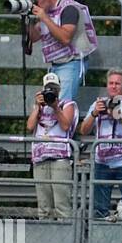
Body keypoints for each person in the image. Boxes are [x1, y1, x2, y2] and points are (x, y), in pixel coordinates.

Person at [80, 70, 122, 221]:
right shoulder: (98, 104)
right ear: (107, 85)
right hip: (102, 163)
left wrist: (121, 118)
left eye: (117, 83)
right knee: (99, 209)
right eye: (111, 83)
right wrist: (94, 113)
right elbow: (83, 130)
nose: (114, 86)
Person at [27, 0, 97, 106]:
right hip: (55, 64)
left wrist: (44, 18)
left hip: (71, 62)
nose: (35, 4)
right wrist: (26, 19)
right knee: (50, 103)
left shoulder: (68, 9)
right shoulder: (47, 12)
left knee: (62, 104)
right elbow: (34, 37)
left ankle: (64, 126)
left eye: (36, 0)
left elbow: (65, 38)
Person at [27, 72, 77, 220]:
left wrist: (55, 107)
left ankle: (66, 237)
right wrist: (37, 107)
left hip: (59, 157)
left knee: (62, 202)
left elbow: (66, 125)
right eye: (48, 89)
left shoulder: (67, 104)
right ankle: (46, 237)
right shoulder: (39, 106)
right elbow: (30, 127)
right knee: (43, 204)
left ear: (59, 89)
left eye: (54, 89)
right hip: (40, 156)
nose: (51, 92)